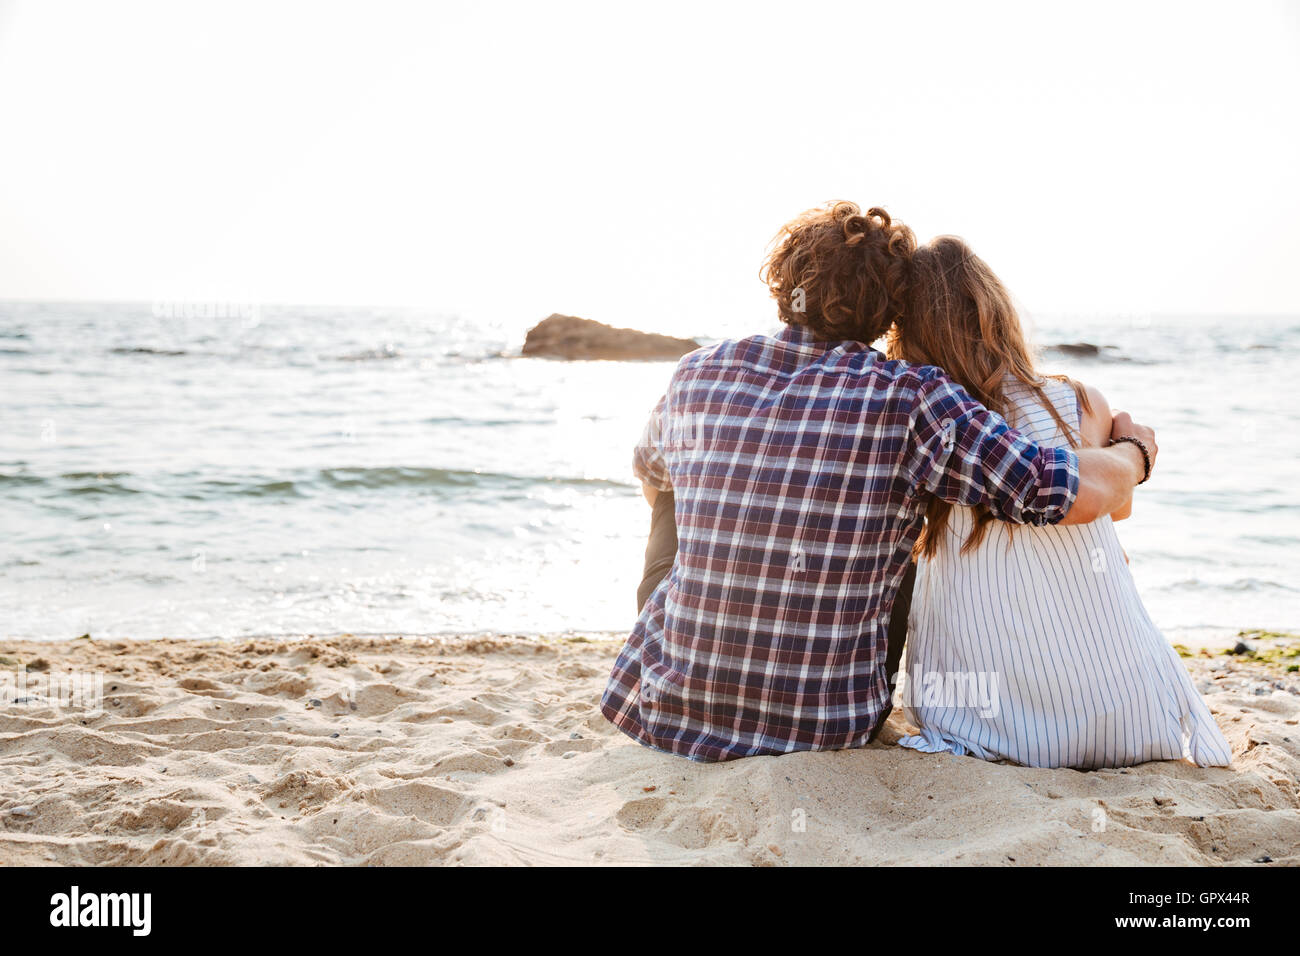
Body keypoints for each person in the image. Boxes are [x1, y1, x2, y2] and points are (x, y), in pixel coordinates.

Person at [601, 201, 1151, 762]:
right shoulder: (911, 395)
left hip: (663, 707)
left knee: (667, 491)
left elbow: (651, 481)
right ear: (889, 313)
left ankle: (691, 658)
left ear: (784, 283)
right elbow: (1070, 492)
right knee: (904, 510)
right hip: (822, 727)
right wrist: (1134, 452)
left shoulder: (697, 370)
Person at [888, 236, 1231, 768]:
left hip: (982, 717)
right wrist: (1128, 448)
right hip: (1122, 715)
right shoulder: (1077, 401)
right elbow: (1117, 507)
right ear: (995, 313)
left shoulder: (919, 421)